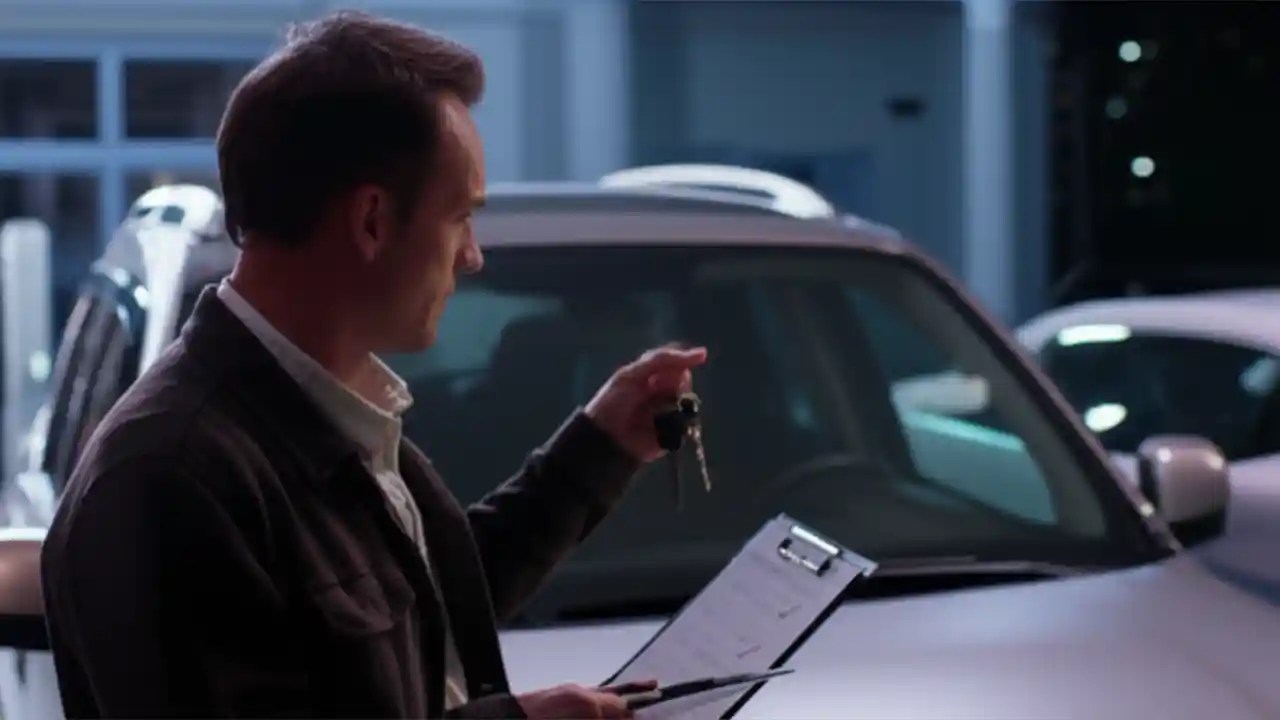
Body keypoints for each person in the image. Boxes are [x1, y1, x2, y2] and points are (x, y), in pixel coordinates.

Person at [39, 10, 707, 719]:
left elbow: (423, 608)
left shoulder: (325, 410)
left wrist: (600, 447)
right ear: (372, 221)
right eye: (461, 217)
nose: (472, 256)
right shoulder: (169, 477)